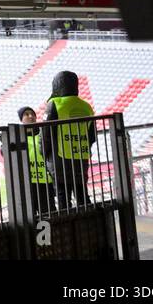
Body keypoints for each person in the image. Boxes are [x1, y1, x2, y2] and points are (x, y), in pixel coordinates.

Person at [41, 71, 95, 209]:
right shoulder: (86, 106)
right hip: (81, 158)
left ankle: (69, 229)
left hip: (59, 159)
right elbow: (92, 135)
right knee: (82, 194)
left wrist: (44, 153)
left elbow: (46, 134)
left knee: (63, 197)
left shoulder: (54, 104)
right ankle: (91, 226)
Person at [18, 106, 55, 216]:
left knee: (49, 216)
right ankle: (37, 234)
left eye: (32, 114)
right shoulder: (17, 136)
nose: (31, 116)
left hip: (45, 182)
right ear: (21, 119)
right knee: (30, 217)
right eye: (26, 114)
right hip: (28, 183)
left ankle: (48, 234)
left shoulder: (43, 132)